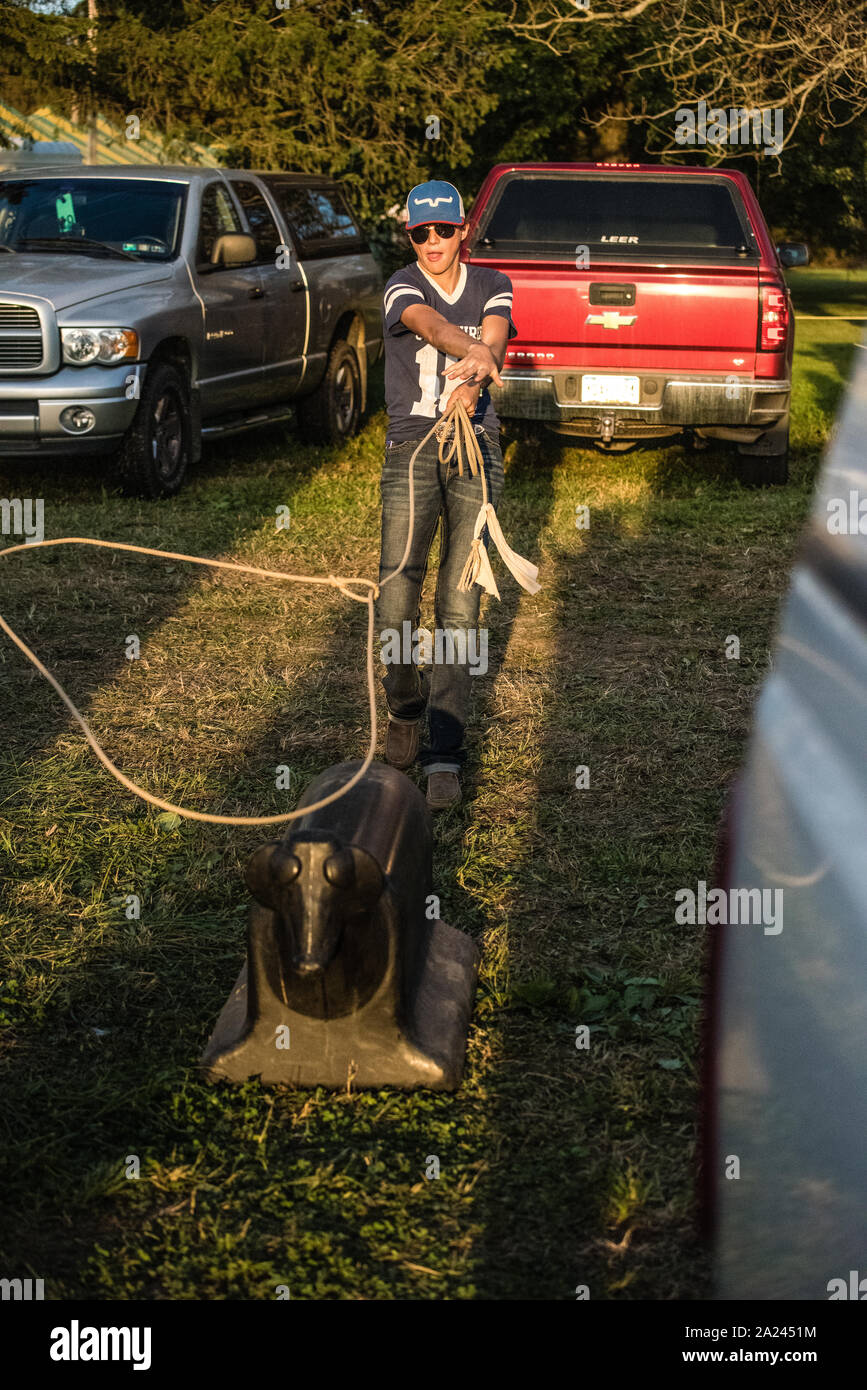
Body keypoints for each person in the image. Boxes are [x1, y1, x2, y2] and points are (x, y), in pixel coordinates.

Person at [376, 180, 517, 811]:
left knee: (460, 602)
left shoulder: (493, 283)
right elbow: (428, 326)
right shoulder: (401, 283)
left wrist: (483, 363)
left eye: (443, 231)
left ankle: (443, 752)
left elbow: (498, 325)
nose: (431, 243)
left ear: (464, 230)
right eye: (419, 232)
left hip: (474, 447)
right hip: (413, 444)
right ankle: (404, 703)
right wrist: (479, 357)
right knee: (397, 584)